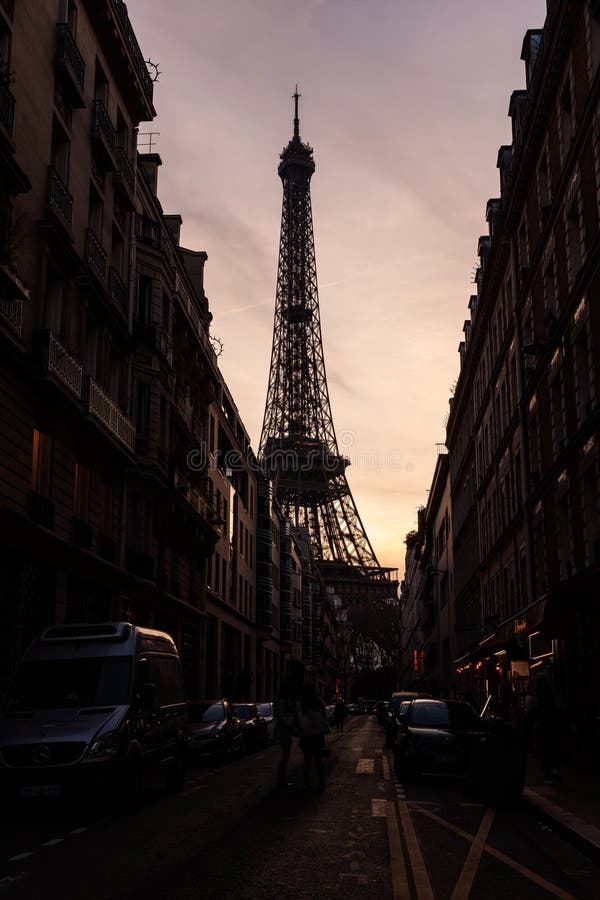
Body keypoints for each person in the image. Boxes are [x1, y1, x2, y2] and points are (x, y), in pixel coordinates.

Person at [297, 685, 329, 792]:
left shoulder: (302, 704)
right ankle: (321, 783)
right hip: (317, 735)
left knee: (306, 760)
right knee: (318, 760)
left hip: (306, 735)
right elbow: (325, 717)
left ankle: (306, 783)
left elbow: (299, 719)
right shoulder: (319, 703)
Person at [274, 683, 296, 789]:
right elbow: (282, 718)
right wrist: (289, 720)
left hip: (283, 731)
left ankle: (281, 780)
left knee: (285, 755)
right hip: (284, 731)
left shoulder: (280, 701)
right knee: (285, 756)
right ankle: (281, 780)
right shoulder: (282, 702)